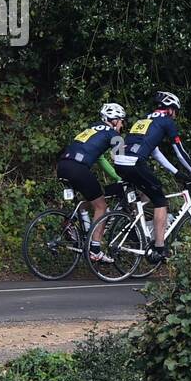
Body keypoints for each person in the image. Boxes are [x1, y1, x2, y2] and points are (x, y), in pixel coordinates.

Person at [113, 90, 191, 263]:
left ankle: (133, 220)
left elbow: (155, 152)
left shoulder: (144, 120)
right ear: (170, 109)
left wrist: (177, 173)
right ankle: (159, 248)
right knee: (160, 200)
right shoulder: (166, 122)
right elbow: (179, 153)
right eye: (175, 111)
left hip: (119, 162)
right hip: (134, 163)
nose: (175, 115)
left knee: (147, 191)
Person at [57, 102, 127, 263]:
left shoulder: (92, 128)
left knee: (87, 199)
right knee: (101, 206)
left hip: (63, 165)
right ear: (114, 120)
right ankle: (95, 249)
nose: (122, 125)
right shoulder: (114, 135)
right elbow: (122, 162)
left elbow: (100, 159)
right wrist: (122, 178)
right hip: (78, 168)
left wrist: (116, 178)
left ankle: (71, 224)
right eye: (122, 121)